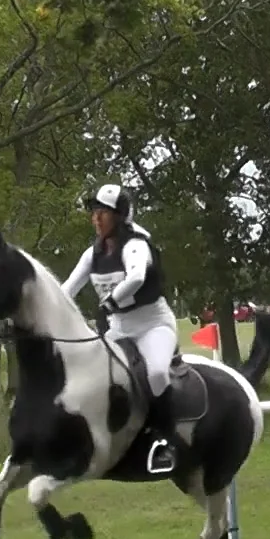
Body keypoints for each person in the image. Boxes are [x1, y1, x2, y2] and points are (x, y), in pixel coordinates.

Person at [61, 182, 185, 473]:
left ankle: (166, 442)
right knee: (94, 376)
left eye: (103, 213)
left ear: (119, 217)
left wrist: (111, 301)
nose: (96, 219)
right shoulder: (92, 254)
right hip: (119, 329)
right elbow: (68, 288)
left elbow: (138, 277)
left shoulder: (136, 245)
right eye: (94, 213)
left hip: (153, 325)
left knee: (155, 372)